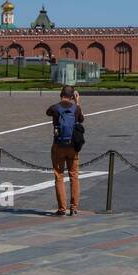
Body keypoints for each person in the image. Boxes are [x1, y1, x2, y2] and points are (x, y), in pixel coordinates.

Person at [45, 87, 84, 216]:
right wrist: (77, 102)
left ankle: (62, 208)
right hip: (73, 146)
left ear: (61, 94)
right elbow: (81, 119)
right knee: (74, 176)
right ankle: (74, 207)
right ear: (72, 96)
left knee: (59, 176)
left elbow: (47, 112)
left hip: (58, 145)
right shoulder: (75, 109)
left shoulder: (55, 108)